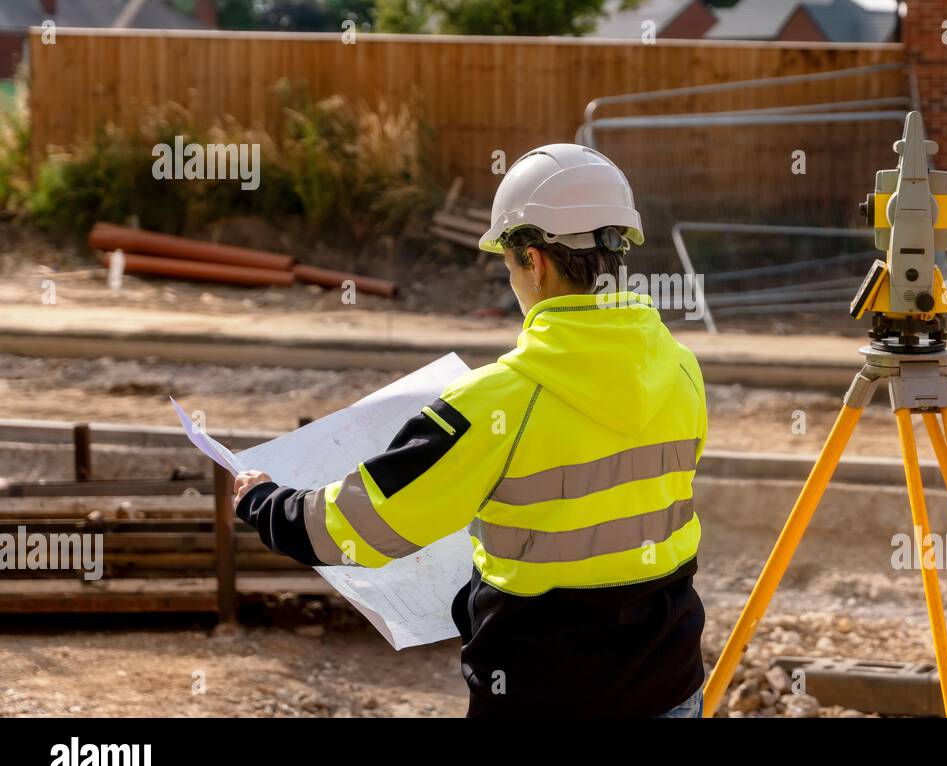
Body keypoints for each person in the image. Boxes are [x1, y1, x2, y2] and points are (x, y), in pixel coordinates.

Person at [232, 144, 709, 718]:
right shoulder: (682, 369)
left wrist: (264, 501)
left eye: (509, 266)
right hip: (670, 685)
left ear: (534, 261)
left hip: (541, 693)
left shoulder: (493, 403)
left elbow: (360, 528)